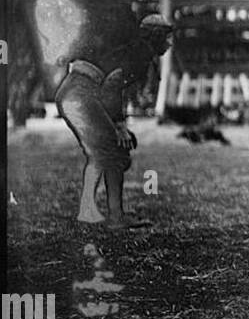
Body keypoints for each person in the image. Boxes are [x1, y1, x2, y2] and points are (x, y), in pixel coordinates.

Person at [55, 13, 173, 228]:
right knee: (115, 153)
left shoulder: (133, 49)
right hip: (80, 94)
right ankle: (115, 217)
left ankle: (90, 211)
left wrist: (119, 124)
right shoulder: (142, 53)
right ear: (155, 36)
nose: (170, 42)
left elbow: (112, 87)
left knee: (102, 153)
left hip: (72, 92)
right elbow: (112, 84)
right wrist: (118, 126)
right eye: (166, 36)